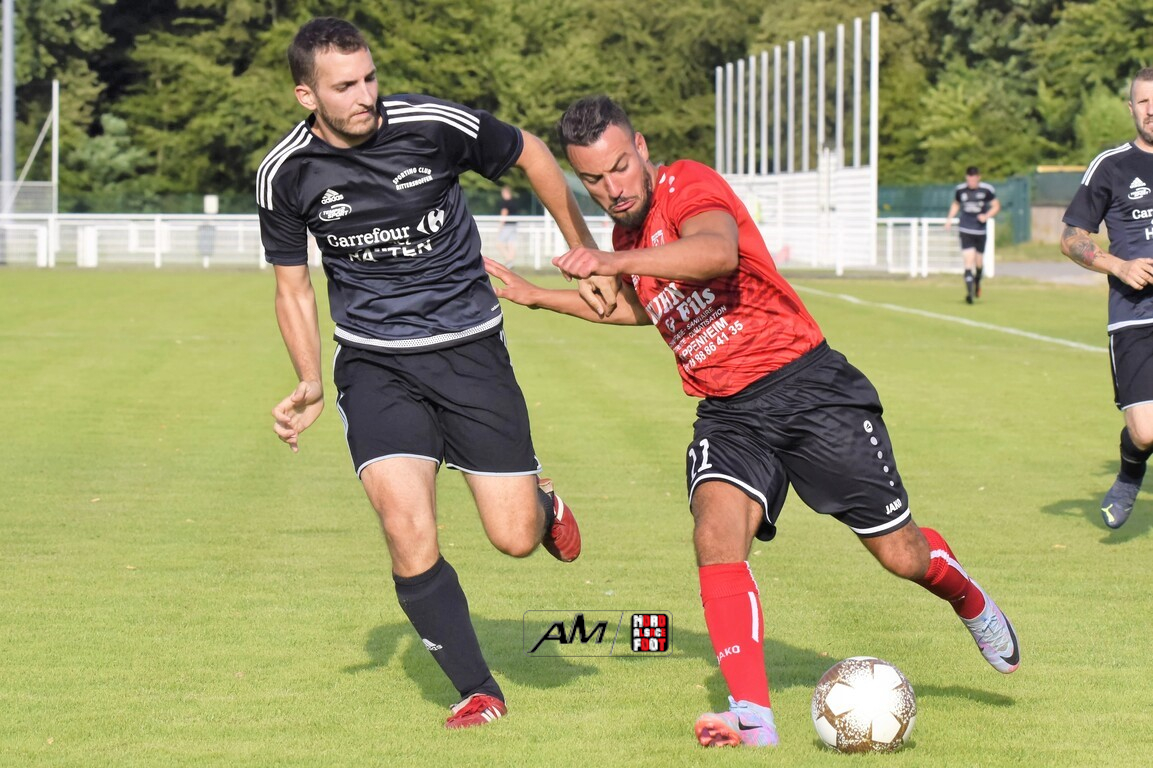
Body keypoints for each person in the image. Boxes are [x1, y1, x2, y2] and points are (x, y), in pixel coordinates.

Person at [485, 95, 1020, 749]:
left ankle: (963, 594)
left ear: (642, 148)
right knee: (714, 533)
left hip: (808, 391)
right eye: (592, 179)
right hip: (727, 412)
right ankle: (751, 716)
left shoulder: (687, 184)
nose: (611, 188)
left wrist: (611, 262)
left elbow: (713, 253)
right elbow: (648, 309)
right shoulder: (625, 237)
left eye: (619, 167)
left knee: (900, 555)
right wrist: (538, 296)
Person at [255, 17, 613, 730]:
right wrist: (309, 380)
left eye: (369, 77)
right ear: (306, 95)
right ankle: (478, 690)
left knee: (512, 538)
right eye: (344, 86)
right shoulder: (285, 173)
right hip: (374, 364)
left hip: (469, 351)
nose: (365, 95)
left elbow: (536, 157)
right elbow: (292, 286)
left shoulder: (431, 125)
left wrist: (587, 253)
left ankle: (542, 502)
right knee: (405, 527)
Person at [1061, 67, 1153, 530]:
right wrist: (1119, 266)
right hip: (1136, 316)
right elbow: (1072, 238)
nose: (1152, 109)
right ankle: (1130, 469)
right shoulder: (1112, 165)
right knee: (1146, 431)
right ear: (1131, 108)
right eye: (1143, 102)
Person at [945, 166, 1000, 304]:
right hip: (965, 229)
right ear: (966, 178)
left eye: (974, 178)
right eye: (969, 178)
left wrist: (986, 216)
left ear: (978, 178)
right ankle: (969, 294)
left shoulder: (987, 190)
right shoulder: (960, 190)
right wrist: (949, 219)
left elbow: (996, 206)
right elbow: (956, 204)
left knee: (979, 263)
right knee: (968, 261)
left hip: (980, 231)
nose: (971, 181)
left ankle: (977, 283)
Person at [496, 185, 520, 267]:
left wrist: (500, 226)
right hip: (514, 225)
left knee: (499, 244)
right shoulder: (515, 202)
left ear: (505, 193)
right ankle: (511, 262)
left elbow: (504, 214)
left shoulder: (505, 203)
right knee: (511, 244)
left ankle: (508, 260)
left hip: (507, 226)